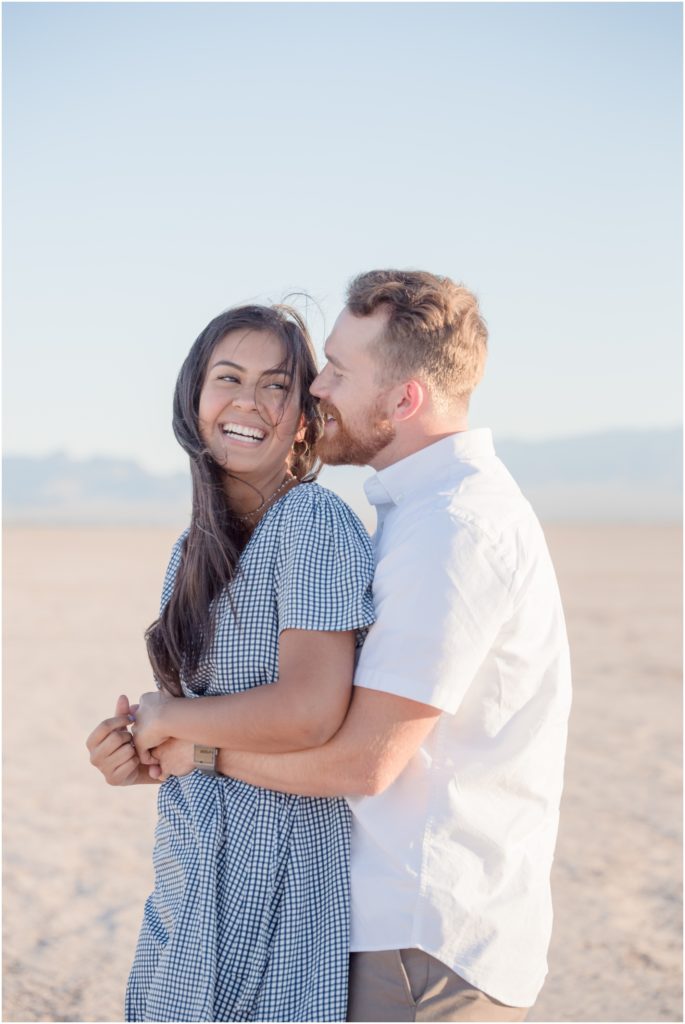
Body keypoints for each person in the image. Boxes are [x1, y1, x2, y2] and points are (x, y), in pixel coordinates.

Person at [144, 269, 572, 1023]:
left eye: (335, 372)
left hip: (422, 938)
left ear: (403, 399)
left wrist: (189, 743)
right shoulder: (413, 515)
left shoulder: (452, 530)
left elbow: (360, 760)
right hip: (384, 926)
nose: (317, 390)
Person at [86, 303, 375, 1023]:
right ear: (194, 399)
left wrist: (171, 720)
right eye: (228, 378)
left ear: (303, 418)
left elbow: (309, 709)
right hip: (189, 872)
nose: (248, 401)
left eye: (277, 386)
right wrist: (136, 751)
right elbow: (193, 739)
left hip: (273, 876)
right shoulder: (189, 554)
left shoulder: (311, 523)